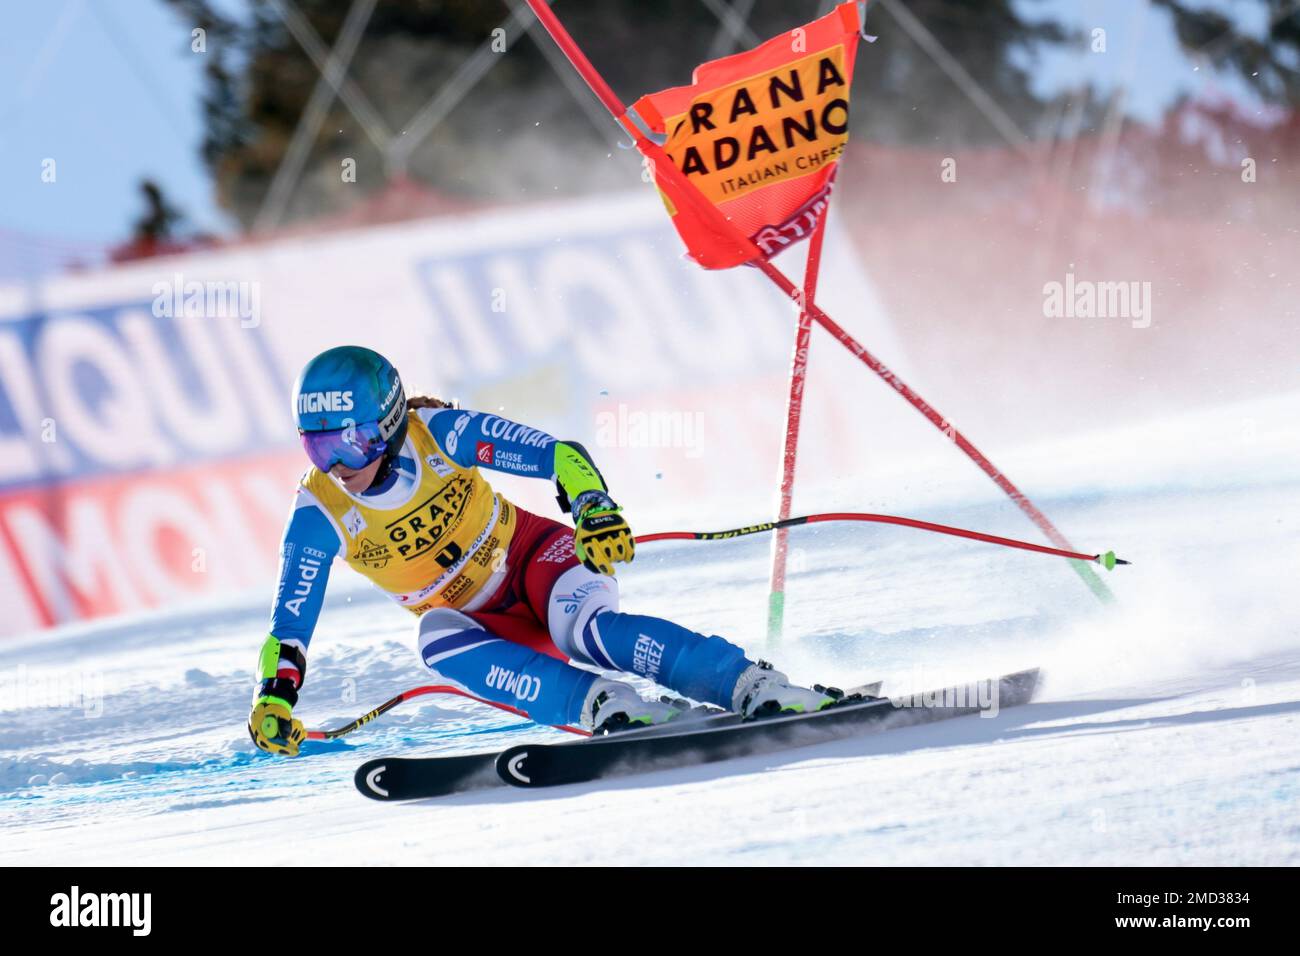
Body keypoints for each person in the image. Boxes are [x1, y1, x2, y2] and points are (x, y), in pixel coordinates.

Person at [249, 345, 833, 756]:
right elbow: (289, 628)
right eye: (318, 447)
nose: (337, 466)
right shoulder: (319, 512)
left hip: (537, 564)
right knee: (434, 640)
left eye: (349, 443)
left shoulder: (439, 433)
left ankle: (752, 686)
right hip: (484, 625)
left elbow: (560, 455)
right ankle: (605, 705)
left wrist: (593, 508)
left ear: (388, 423)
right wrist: (273, 697)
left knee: (586, 630)